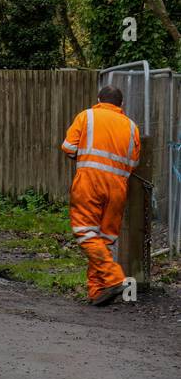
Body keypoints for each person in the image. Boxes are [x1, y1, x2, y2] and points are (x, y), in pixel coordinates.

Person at [61, 86, 140, 306]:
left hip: (90, 182)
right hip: (118, 188)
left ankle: (114, 278)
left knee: (85, 233)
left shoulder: (87, 116)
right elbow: (133, 163)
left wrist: (84, 155)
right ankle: (97, 290)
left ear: (98, 100)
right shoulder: (132, 127)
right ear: (120, 105)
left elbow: (68, 147)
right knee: (105, 239)